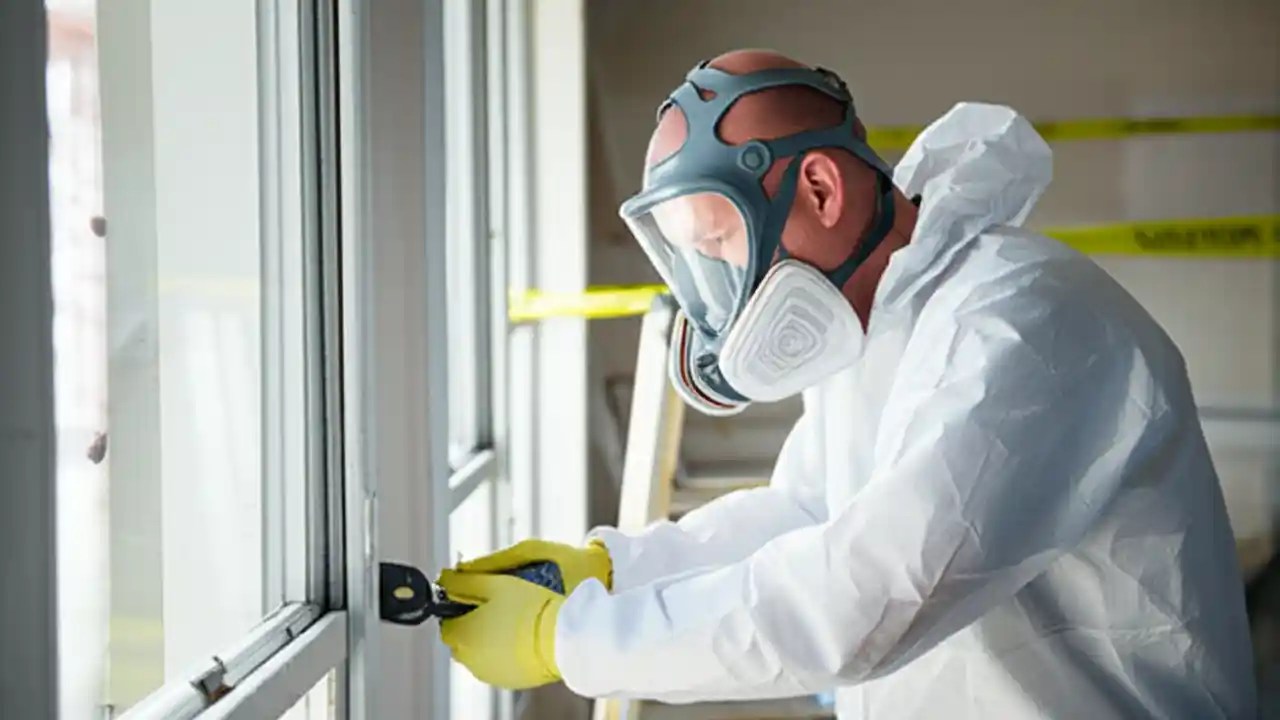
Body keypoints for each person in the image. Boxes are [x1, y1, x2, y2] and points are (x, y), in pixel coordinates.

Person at [437, 49, 1257, 718]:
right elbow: (809, 513)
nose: (717, 294)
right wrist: (614, 571)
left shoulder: (1015, 323)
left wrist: (570, 640)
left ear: (821, 191)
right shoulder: (881, 325)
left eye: (718, 247)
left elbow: (864, 597)